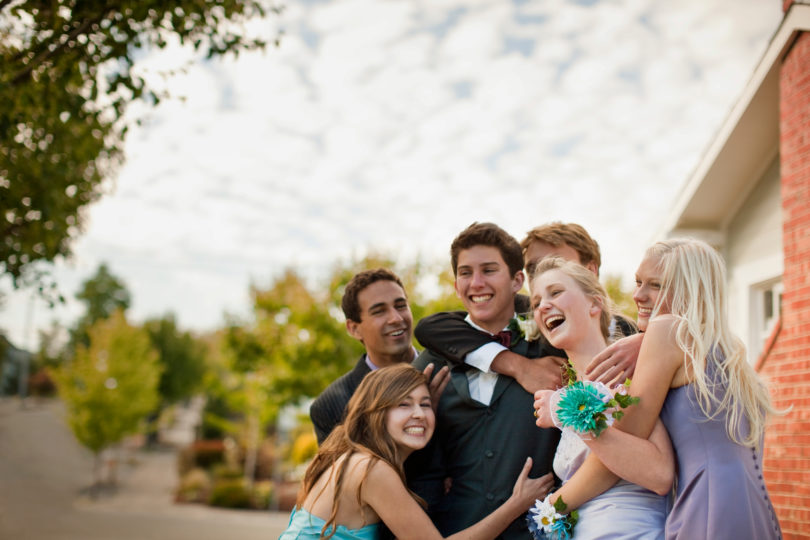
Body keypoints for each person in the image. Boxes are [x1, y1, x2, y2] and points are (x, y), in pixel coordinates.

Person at [534, 239, 782, 539]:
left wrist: (564, 409)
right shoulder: (727, 350)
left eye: (655, 285)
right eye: (638, 282)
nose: (638, 295)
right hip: (751, 503)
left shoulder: (666, 331)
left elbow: (630, 431)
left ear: (689, 289)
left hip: (706, 500)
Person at [408, 222, 561, 540]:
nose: (476, 283)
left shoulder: (552, 346)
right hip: (453, 527)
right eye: (465, 273)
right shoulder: (431, 361)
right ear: (455, 284)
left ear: (518, 280)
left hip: (536, 532)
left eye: (489, 270)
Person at [281, 364, 554, 540]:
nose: (419, 414)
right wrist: (515, 504)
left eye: (425, 405)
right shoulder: (371, 470)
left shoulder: (354, 457)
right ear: (374, 412)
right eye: (403, 404)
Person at [528, 256, 672, 538]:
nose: (543, 305)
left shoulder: (630, 378)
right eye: (535, 303)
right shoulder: (571, 389)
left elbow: (659, 474)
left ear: (594, 304)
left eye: (556, 292)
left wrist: (566, 411)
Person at [415, 222, 639, 395]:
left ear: (590, 271)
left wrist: (647, 342)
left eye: (556, 263)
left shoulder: (630, 332)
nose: (543, 275)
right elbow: (431, 327)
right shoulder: (530, 314)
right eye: (533, 268)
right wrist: (518, 366)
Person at [310, 268, 455, 444]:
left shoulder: (448, 370)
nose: (395, 318)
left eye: (401, 306)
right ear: (354, 329)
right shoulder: (331, 405)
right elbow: (345, 470)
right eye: (379, 311)